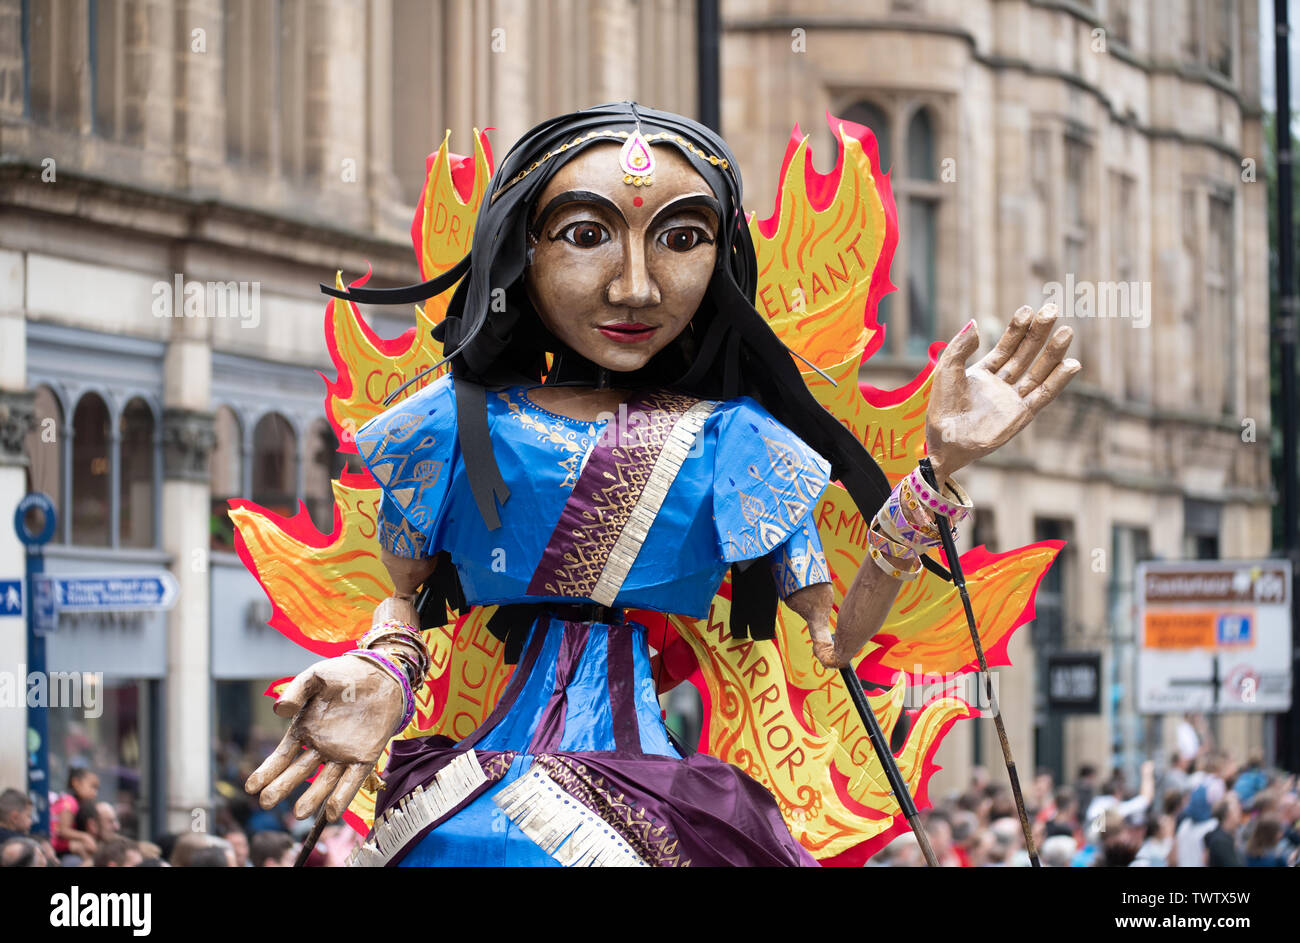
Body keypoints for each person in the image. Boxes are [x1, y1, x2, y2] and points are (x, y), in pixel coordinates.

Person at [244, 101, 1080, 867]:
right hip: (484, 790)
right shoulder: (452, 427)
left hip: (652, 788)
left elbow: (837, 643)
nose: (636, 286)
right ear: (521, 251)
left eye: (681, 240)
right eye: (585, 235)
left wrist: (933, 477)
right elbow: (405, 599)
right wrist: (383, 671)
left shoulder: (738, 447)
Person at [1204, 794, 1244, 867]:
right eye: (1236, 809)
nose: (1240, 811)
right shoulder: (1219, 841)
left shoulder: (1237, 833)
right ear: (1227, 814)